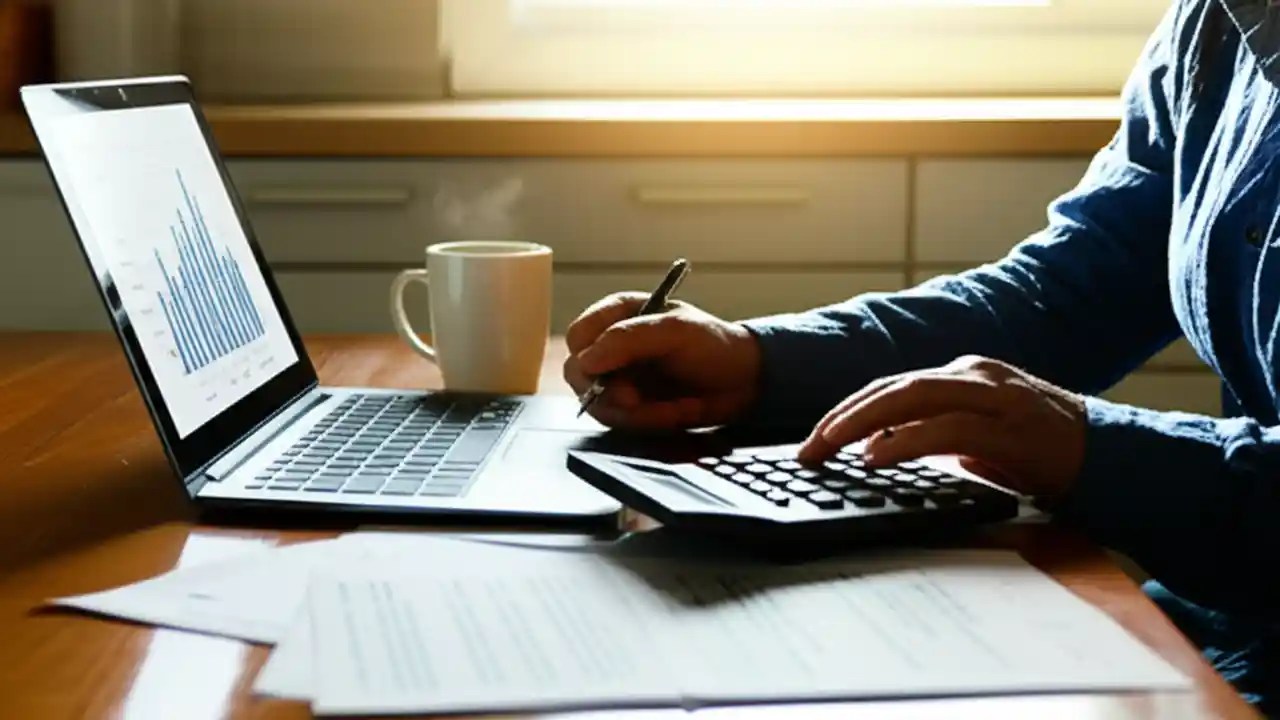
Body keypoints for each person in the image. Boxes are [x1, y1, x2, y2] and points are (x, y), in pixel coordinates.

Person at [563, 0, 1278, 714]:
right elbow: (1062, 295)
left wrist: (1090, 448)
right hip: (1198, 636)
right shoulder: (1216, 23)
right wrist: (758, 360)